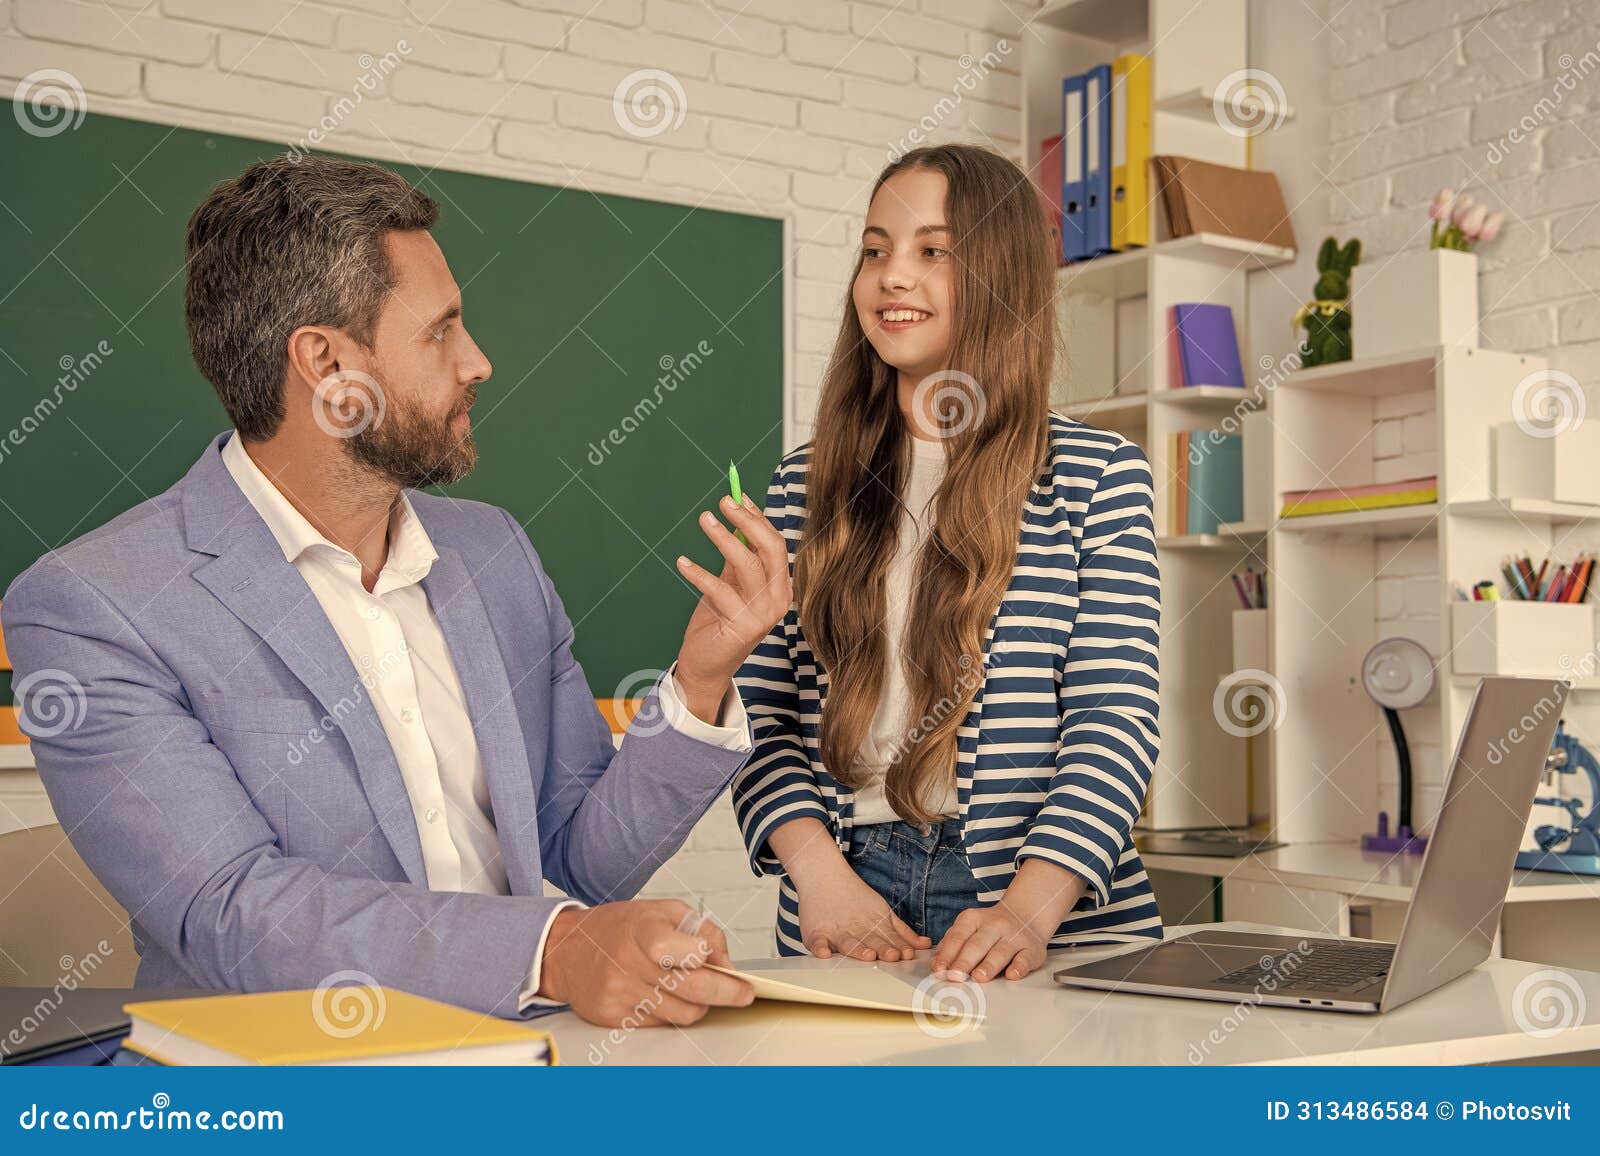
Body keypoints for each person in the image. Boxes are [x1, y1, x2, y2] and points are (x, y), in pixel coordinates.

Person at [2, 155, 792, 1027]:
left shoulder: (494, 553)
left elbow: (581, 863)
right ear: (327, 365)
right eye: (440, 331)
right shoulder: (93, 608)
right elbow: (232, 913)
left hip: (529, 1058)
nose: (479, 361)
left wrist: (702, 678)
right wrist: (557, 951)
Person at [733, 144, 1163, 984]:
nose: (893, 276)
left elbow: (1116, 721)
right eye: (874, 249)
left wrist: (1026, 910)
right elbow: (761, 718)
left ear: (1000, 274)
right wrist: (819, 880)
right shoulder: (802, 484)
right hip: (847, 892)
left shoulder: (1097, 475)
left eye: (934, 251)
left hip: (1050, 900)